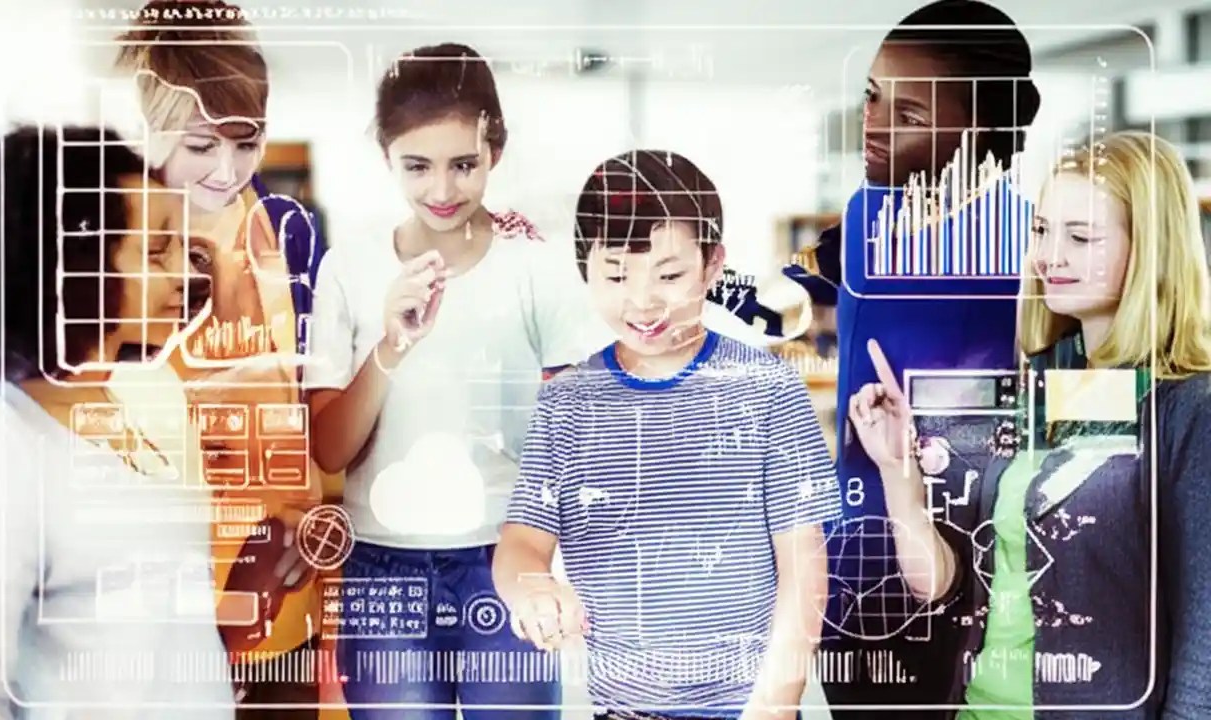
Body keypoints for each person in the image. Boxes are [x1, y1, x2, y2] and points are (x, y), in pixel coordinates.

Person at [706, 2, 1040, 715]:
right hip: (854, 553)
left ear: (976, 129)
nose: (874, 124)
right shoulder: (866, 217)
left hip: (967, 562)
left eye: (911, 113)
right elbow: (790, 308)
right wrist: (700, 279)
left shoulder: (1029, 245)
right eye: (872, 96)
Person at [850, 130, 1211, 717]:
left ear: (1150, 249)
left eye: (1081, 237)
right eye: (1042, 230)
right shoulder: (1048, 389)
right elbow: (947, 585)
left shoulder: (1189, 407)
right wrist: (897, 472)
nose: (1050, 257)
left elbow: (1205, 643)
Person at [303, 42, 604, 719]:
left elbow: (575, 441)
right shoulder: (348, 269)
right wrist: (390, 347)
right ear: (387, 157)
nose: (443, 191)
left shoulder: (536, 269)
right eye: (418, 166)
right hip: (382, 569)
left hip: (505, 562)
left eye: (464, 165)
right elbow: (328, 449)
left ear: (495, 149)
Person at [494, 149, 842, 720]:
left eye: (670, 273)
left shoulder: (767, 388)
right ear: (586, 269)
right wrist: (531, 587)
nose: (643, 299)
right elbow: (523, 543)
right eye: (615, 274)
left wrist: (775, 703)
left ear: (712, 266)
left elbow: (803, 564)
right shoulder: (567, 403)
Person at [0, 126, 248, 716]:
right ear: (70, 265)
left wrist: (261, 569)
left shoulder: (151, 400)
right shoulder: (1, 453)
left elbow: (162, 629)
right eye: (156, 251)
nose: (185, 274)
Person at [113, 2, 334, 713]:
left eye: (246, 143)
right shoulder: (112, 255)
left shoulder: (286, 233)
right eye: (202, 146)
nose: (227, 169)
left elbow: (313, 393)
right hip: (170, 591)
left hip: (289, 565)